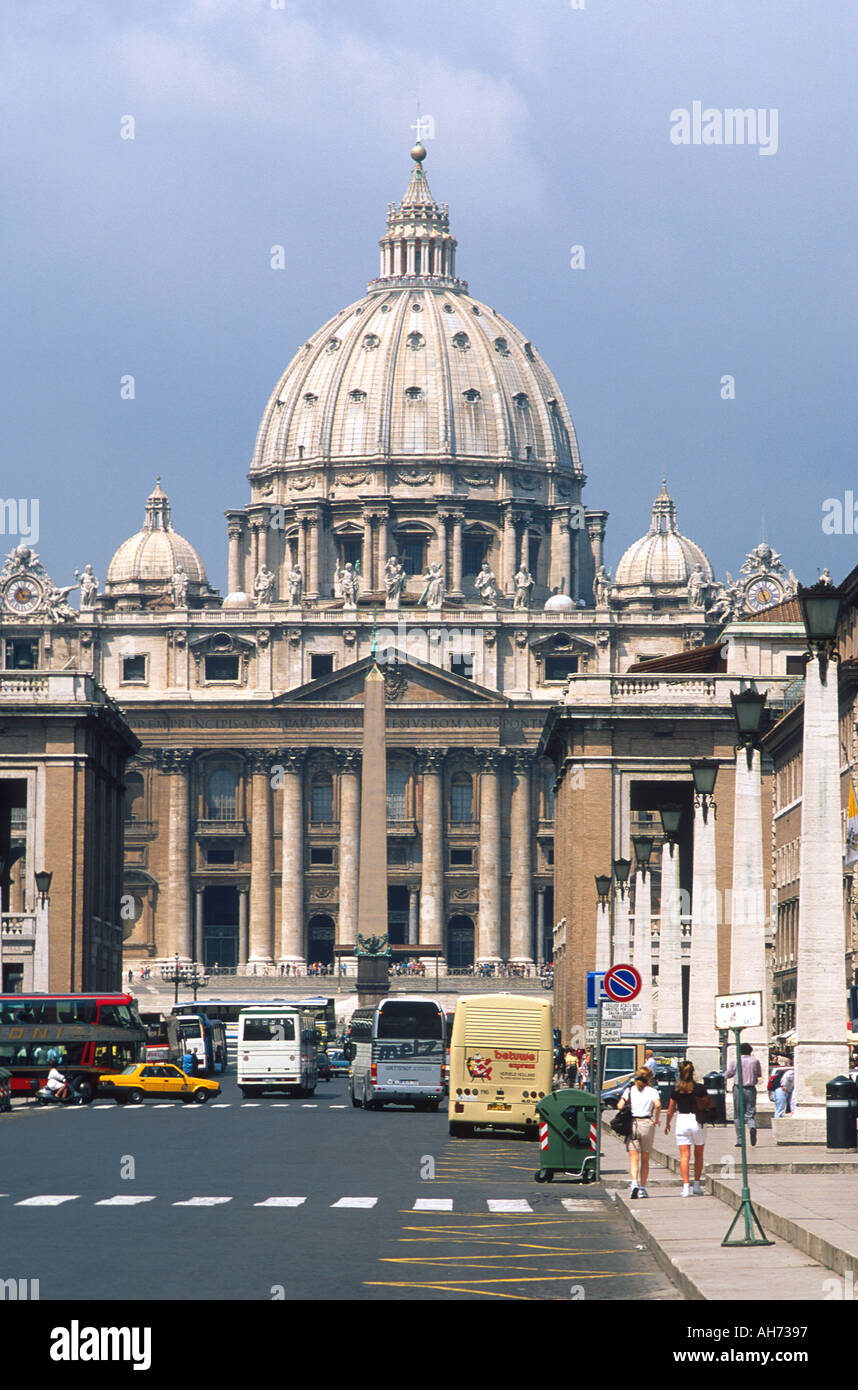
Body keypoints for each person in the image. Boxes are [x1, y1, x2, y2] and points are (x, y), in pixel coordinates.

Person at [664, 1061, 708, 1196]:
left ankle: (685, 1187)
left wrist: (667, 1124)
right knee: (699, 1154)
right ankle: (696, 1184)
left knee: (684, 1156)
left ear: (679, 1073)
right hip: (697, 1120)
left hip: (682, 1120)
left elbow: (670, 1109)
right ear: (693, 1072)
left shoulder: (676, 1089)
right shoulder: (700, 1088)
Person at [617, 1067, 661, 1199]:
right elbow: (658, 1105)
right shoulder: (652, 1091)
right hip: (647, 1123)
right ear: (649, 1078)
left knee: (633, 1157)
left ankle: (634, 1183)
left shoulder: (629, 1090)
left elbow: (619, 1105)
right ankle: (642, 1188)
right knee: (645, 1158)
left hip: (633, 1124)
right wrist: (657, 1119)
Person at [725, 1042, 763, 1147]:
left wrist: (723, 1075)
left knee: (738, 1115)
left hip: (738, 1088)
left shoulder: (735, 1060)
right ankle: (752, 1126)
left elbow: (729, 1074)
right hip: (750, 1088)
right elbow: (759, 1074)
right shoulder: (755, 1061)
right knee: (750, 1112)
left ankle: (740, 1140)